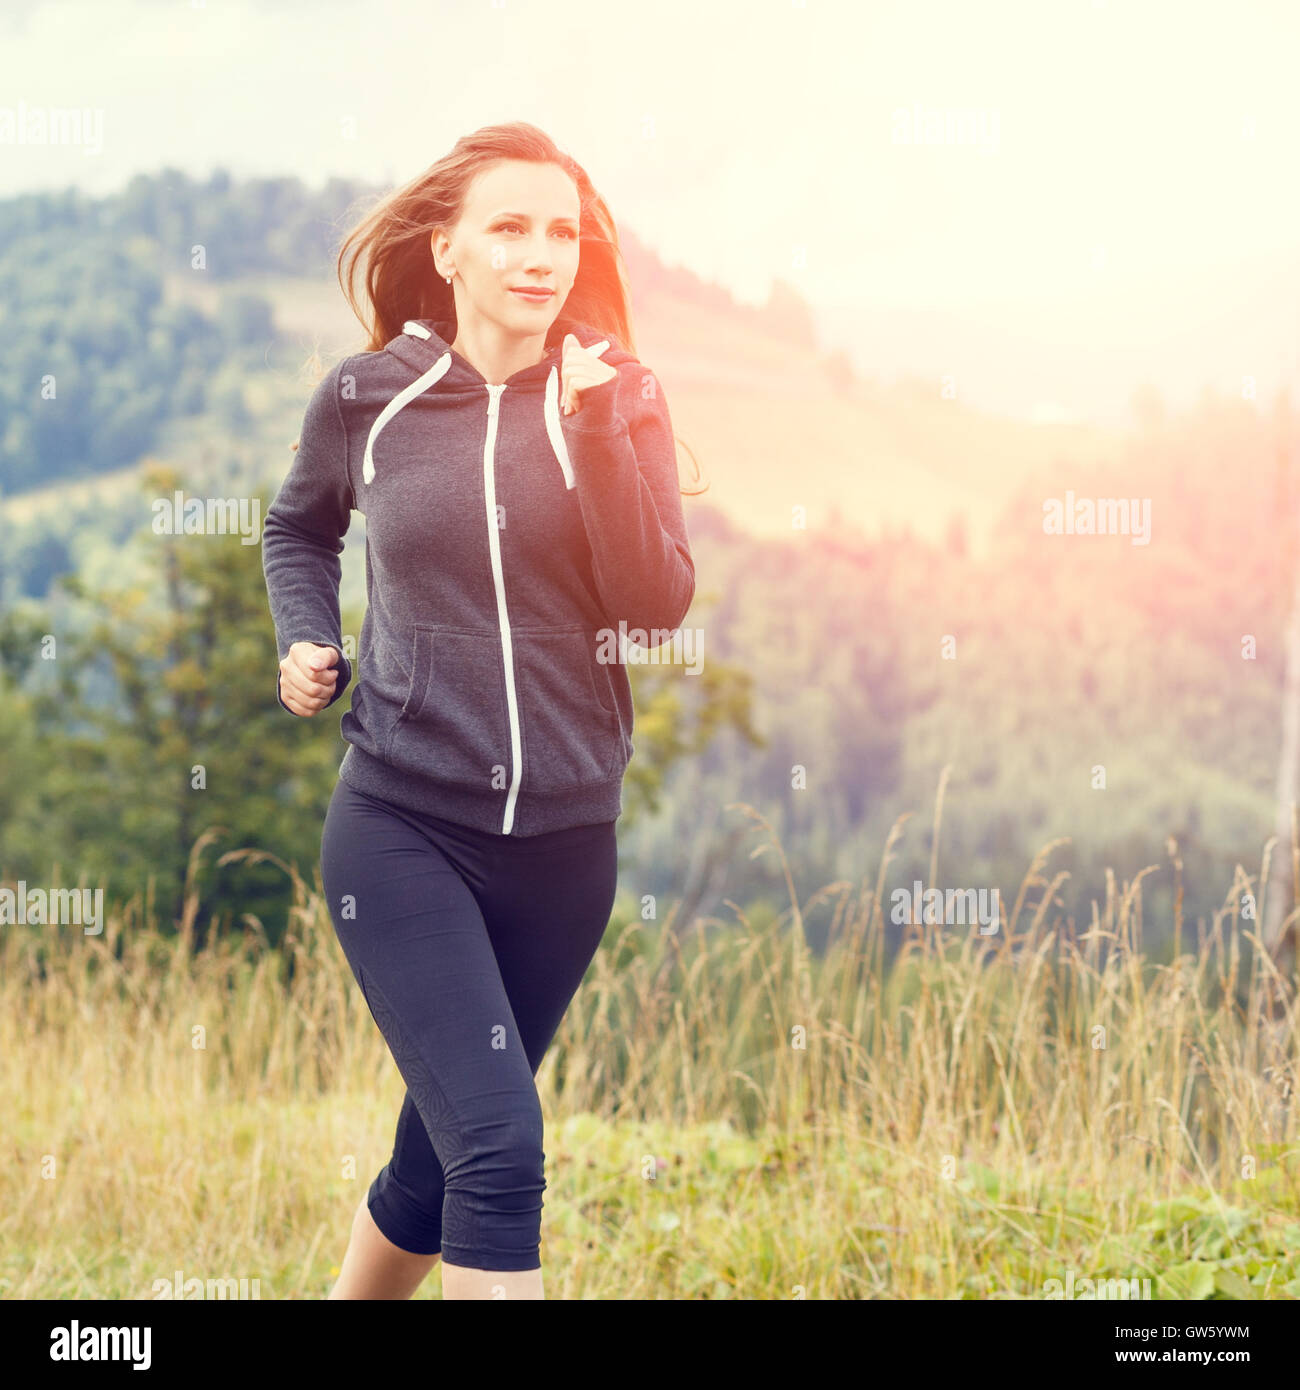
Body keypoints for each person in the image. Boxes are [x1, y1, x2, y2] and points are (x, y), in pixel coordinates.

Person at [261, 121, 697, 1300]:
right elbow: (300, 526)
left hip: (566, 846)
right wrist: (307, 633)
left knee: (435, 1159)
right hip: (404, 825)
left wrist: (600, 428)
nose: (540, 254)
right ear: (446, 248)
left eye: (562, 230)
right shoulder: (369, 397)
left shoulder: (621, 397)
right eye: (509, 227)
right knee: (502, 1152)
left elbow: (655, 604)